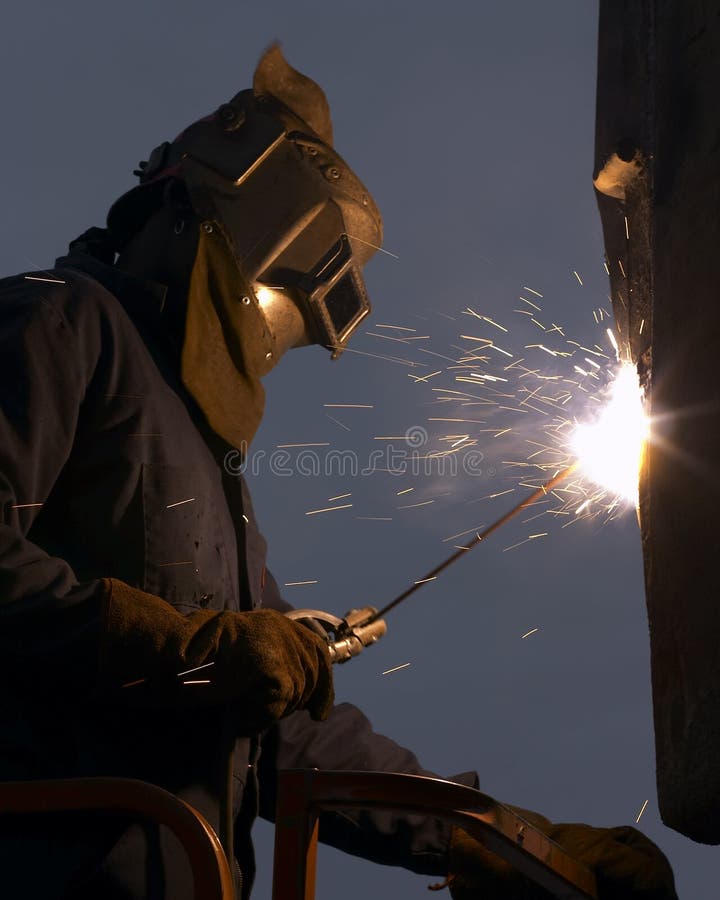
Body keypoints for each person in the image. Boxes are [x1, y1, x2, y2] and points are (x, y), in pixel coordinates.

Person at [0, 44, 677, 900]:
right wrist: (182, 645)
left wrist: (492, 834)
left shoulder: (215, 482)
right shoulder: (58, 323)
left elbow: (285, 729)